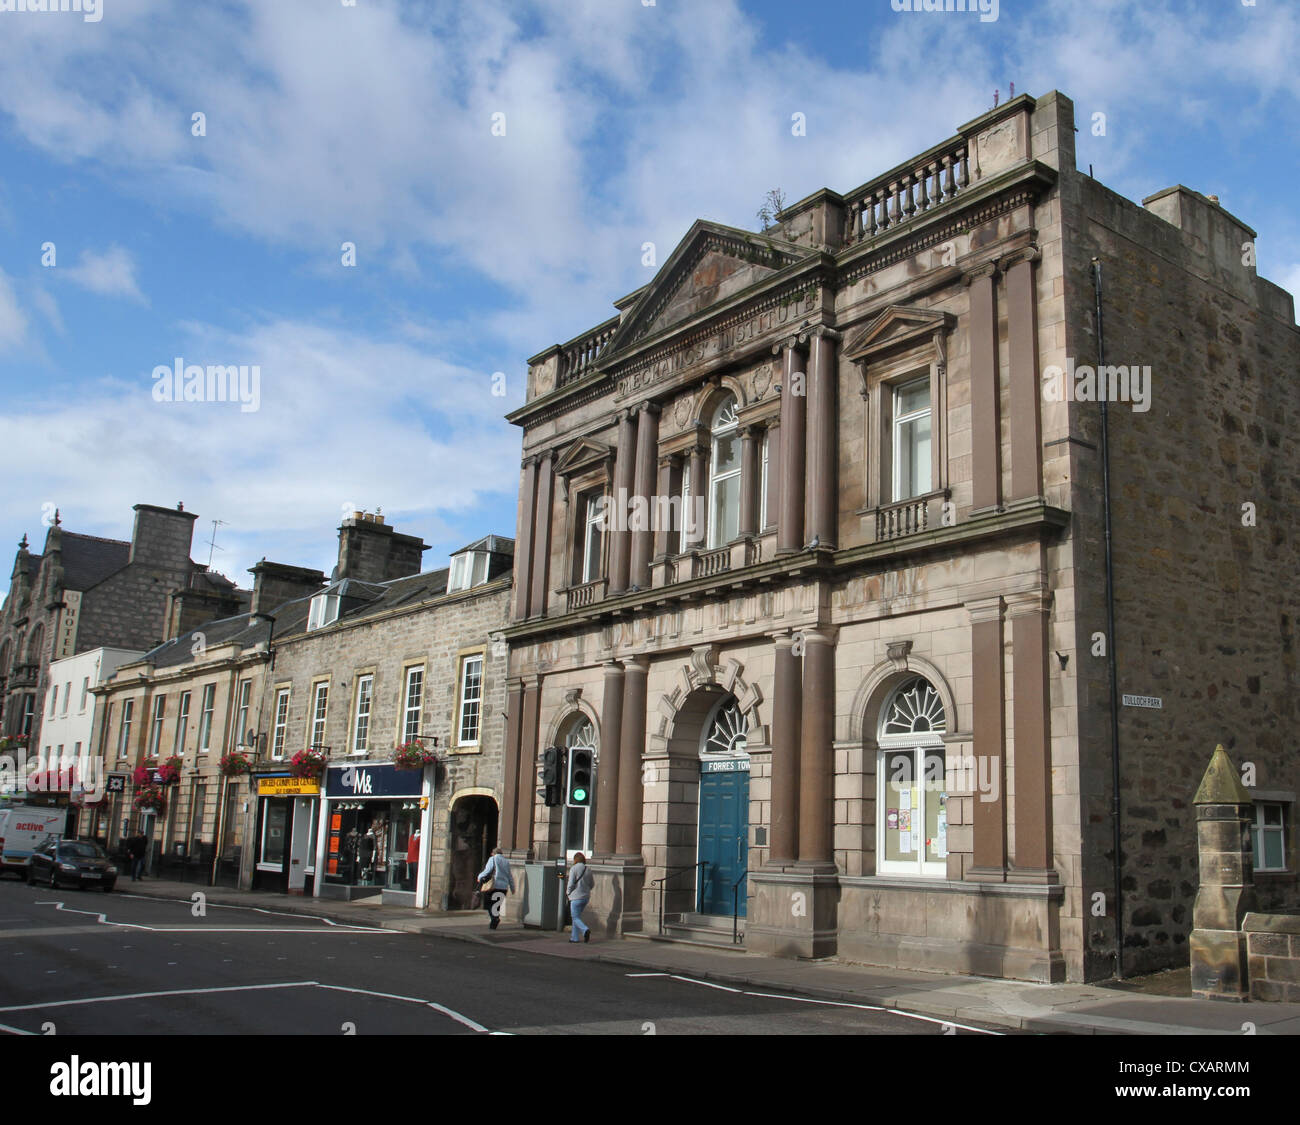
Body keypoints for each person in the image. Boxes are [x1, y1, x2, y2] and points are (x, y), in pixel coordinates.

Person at [476, 847, 514, 930]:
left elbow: (488, 870)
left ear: (494, 853)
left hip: (494, 886)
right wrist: (512, 887)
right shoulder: (506, 861)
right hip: (503, 887)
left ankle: (495, 918)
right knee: (497, 904)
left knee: (489, 903)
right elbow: (510, 876)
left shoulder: (492, 859)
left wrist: (479, 877)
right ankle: (494, 921)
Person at [566, 852, 594, 943]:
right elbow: (592, 884)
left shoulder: (573, 869)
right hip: (585, 897)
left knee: (575, 917)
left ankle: (585, 930)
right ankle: (574, 938)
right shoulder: (588, 869)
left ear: (575, 859)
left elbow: (570, 883)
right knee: (577, 917)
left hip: (575, 897)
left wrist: (568, 892)